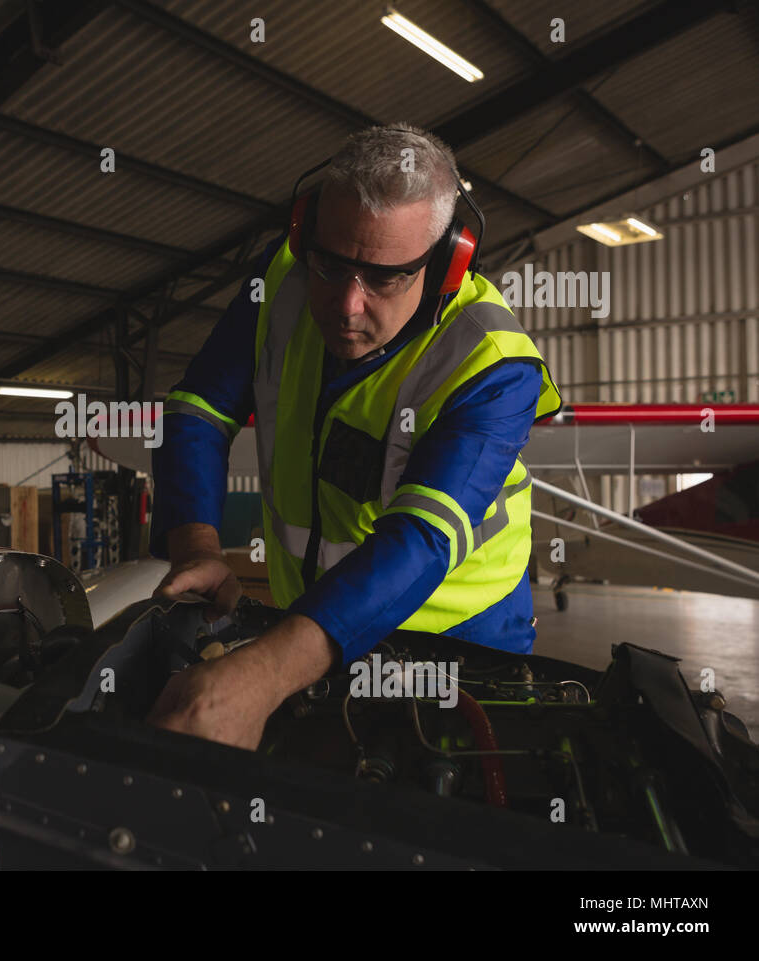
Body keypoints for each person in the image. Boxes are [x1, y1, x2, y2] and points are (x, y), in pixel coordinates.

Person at [147, 123, 561, 750]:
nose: (344, 305)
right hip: (307, 625)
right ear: (305, 232)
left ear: (448, 263)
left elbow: (420, 538)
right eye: (330, 264)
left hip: (458, 644)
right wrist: (198, 546)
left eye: (385, 278)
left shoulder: (492, 366)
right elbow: (197, 407)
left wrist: (265, 675)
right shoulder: (281, 284)